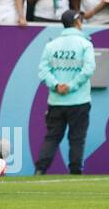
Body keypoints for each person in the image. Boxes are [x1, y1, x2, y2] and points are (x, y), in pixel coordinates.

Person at [34, 10, 97, 175]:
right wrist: (71, 86)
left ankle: (40, 169)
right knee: (77, 138)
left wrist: (56, 86)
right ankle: (75, 172)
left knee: (52, 137)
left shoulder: (51, 45)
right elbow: (89, 69)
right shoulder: (85, 44)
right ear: (77, 22)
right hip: (79, 100)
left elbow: (43, 71)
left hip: (56, 100)